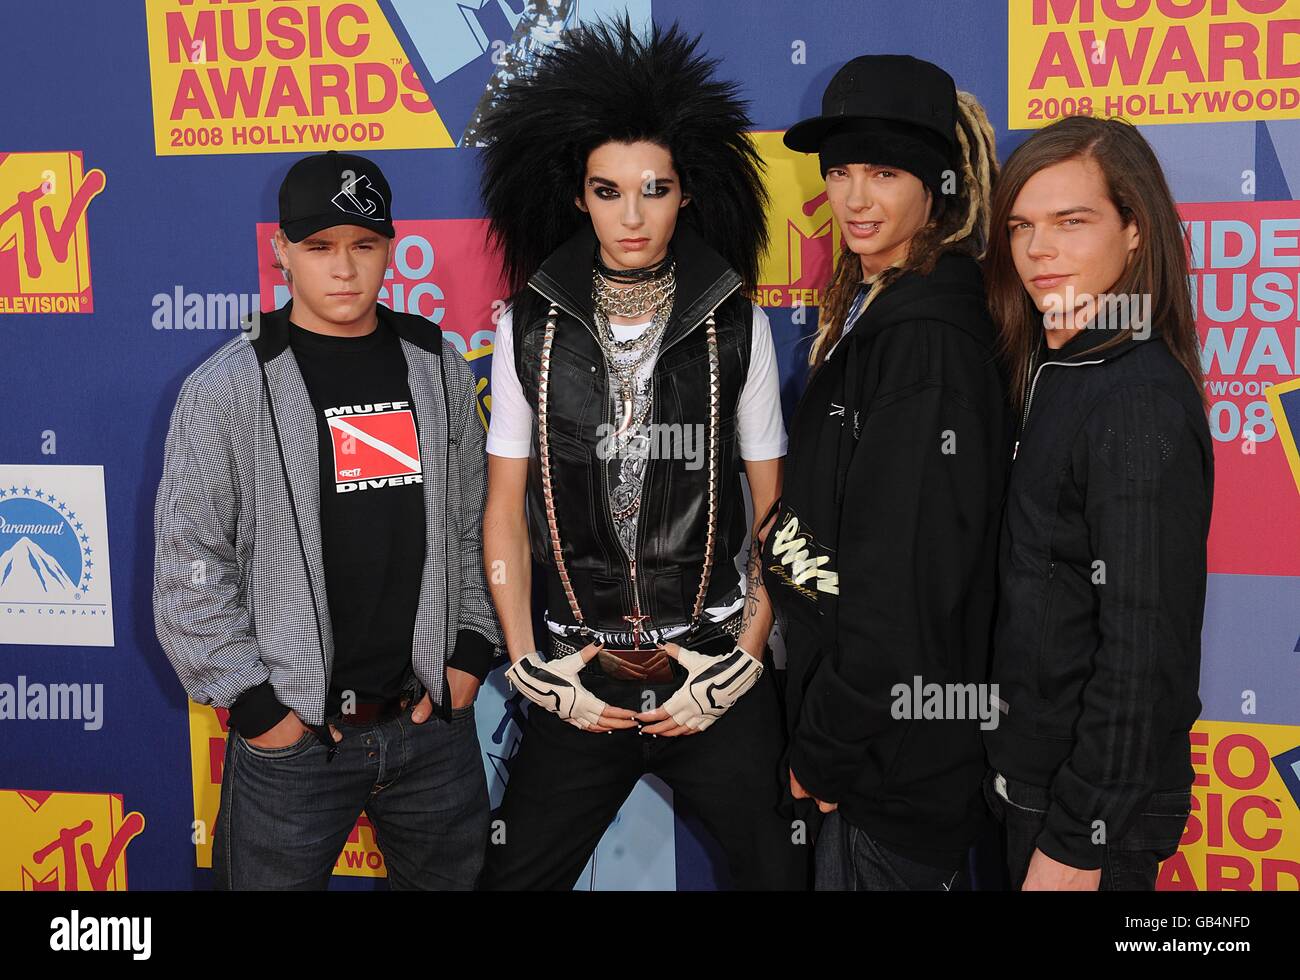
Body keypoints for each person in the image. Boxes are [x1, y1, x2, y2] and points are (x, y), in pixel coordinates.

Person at [476, 17, 805, 890]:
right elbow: (505, 512)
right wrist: (530, 669)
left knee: (786, 874)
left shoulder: (738, 322)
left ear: (688, 193)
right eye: (608, 189)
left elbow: (776, 512)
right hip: (578, 676)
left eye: (654, 189)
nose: (632, 215)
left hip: (711, 667)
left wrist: (743, 659)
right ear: (577, 195)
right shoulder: (525, 328)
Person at [152, 150, 502, 890]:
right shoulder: (225, 389)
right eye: (318, 247)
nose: (343, 269)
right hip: (296, 742)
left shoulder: (435, 363)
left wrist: (471, 653)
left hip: (430, 728)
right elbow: (190, 566)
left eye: (363, 245)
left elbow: (477, 518)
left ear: (391, 248)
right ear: (281, 252)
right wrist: (258, 711)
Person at [765, 55, 1008, 890]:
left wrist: (825, 753)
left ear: (938, 183)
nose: (855, 199)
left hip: (890, 769)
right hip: (872, 749)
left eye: (885, 173)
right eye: (839, 172)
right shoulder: (879, 305)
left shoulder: (926, 340)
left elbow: (905, 588)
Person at [981, 115, 1213, 891]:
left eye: (1071, 222)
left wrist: (1083, 837)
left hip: (1087, 816)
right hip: (1037, 785)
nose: (1038, 250)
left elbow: (1146, 651)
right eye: (1021, 226)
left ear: (1136, 230)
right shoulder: (1065, 365)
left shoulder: (1135, 398)